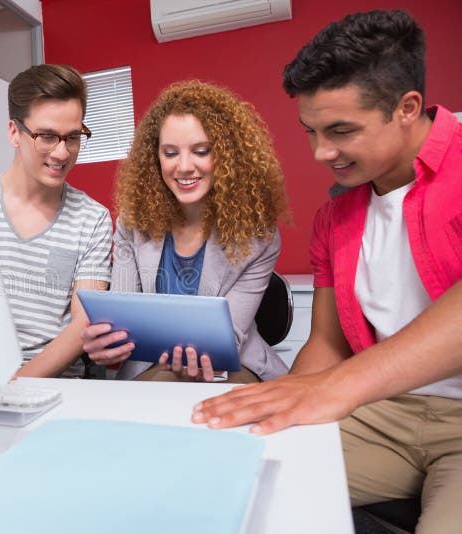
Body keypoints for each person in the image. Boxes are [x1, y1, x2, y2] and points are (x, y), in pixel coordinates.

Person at [193, 10, 462, 532]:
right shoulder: (336, 216)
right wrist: (281, 405)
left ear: (406, 108)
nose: (321, 153)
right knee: (229, 479)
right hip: (384, 413)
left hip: (403, 406)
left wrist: (339, 388)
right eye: (312, 131)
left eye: (341, 130)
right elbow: (328, 345)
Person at [81, 81, 290, 383]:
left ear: (226, 155)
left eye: (201, 151)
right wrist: (106, 345)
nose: (184, 166)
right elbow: (122, 317)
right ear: (155, 159)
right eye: (170, 153)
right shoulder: (132, 222)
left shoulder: (258, 235)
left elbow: (226, 339)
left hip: (231, 368)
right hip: (151, 367)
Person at [0, 64, 112, 378]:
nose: (62, 153)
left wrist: (16, 386)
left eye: (73, 137)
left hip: (56, 386)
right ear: (14, 132)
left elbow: (84, 321)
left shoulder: (92, 219)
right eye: (48, 137)